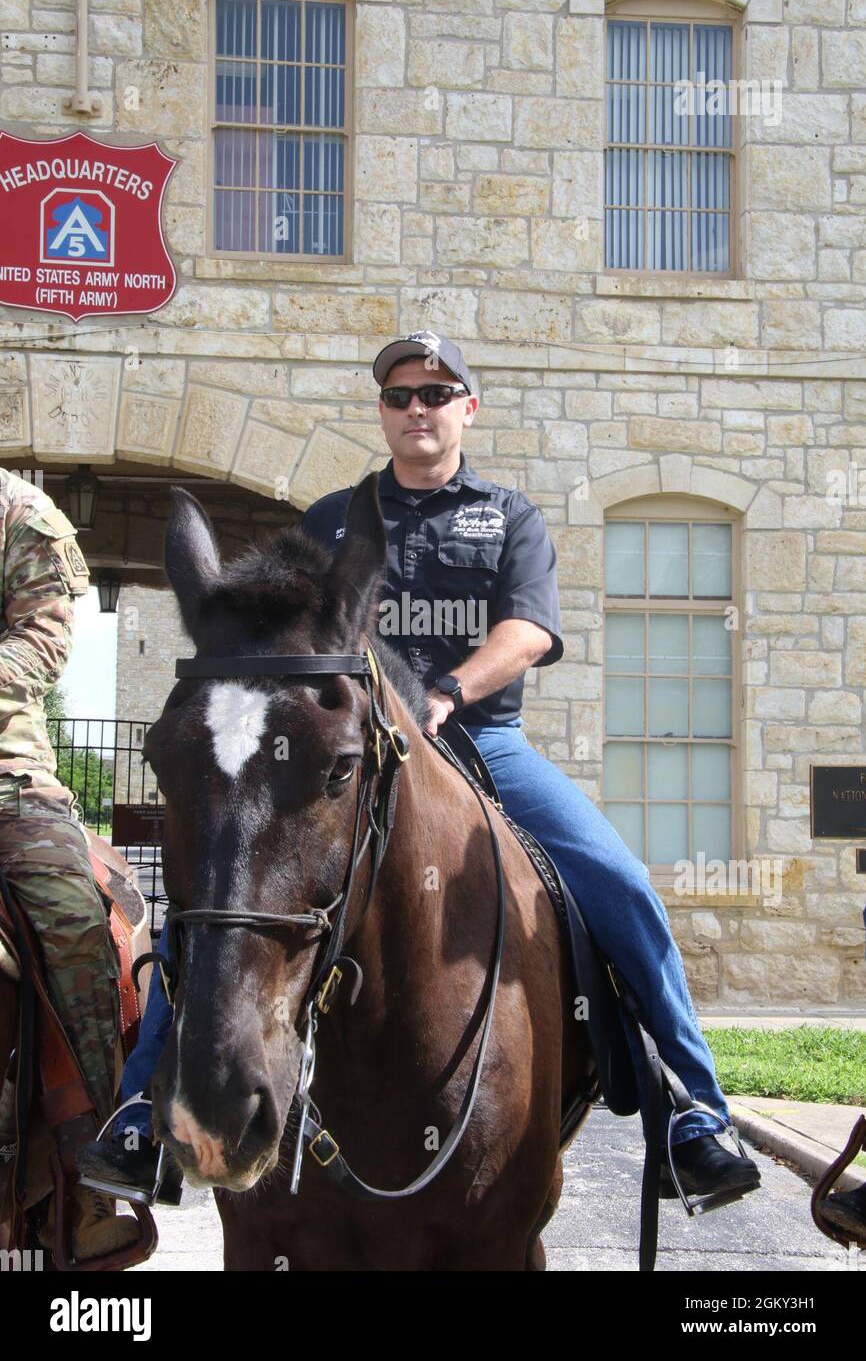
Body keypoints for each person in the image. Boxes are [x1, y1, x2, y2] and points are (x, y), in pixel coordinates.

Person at [80, 333, 760, 1207]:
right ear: (383, 412)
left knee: (621, 885)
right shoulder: (332, 518)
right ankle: (143, 1110)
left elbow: (529, 632)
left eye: (437, 393)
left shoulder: (508, 516)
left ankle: (693, 1114)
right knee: (227, 894)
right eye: (400, 395)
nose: (417, 409)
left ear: (466, 408)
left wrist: (448, 690)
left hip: (482, 744)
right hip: (351, 754)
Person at [0, 467, 140, 1259]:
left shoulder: (19, 513)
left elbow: (43, 640)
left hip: (4, 779)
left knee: (78, 924)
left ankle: (93, 1166)